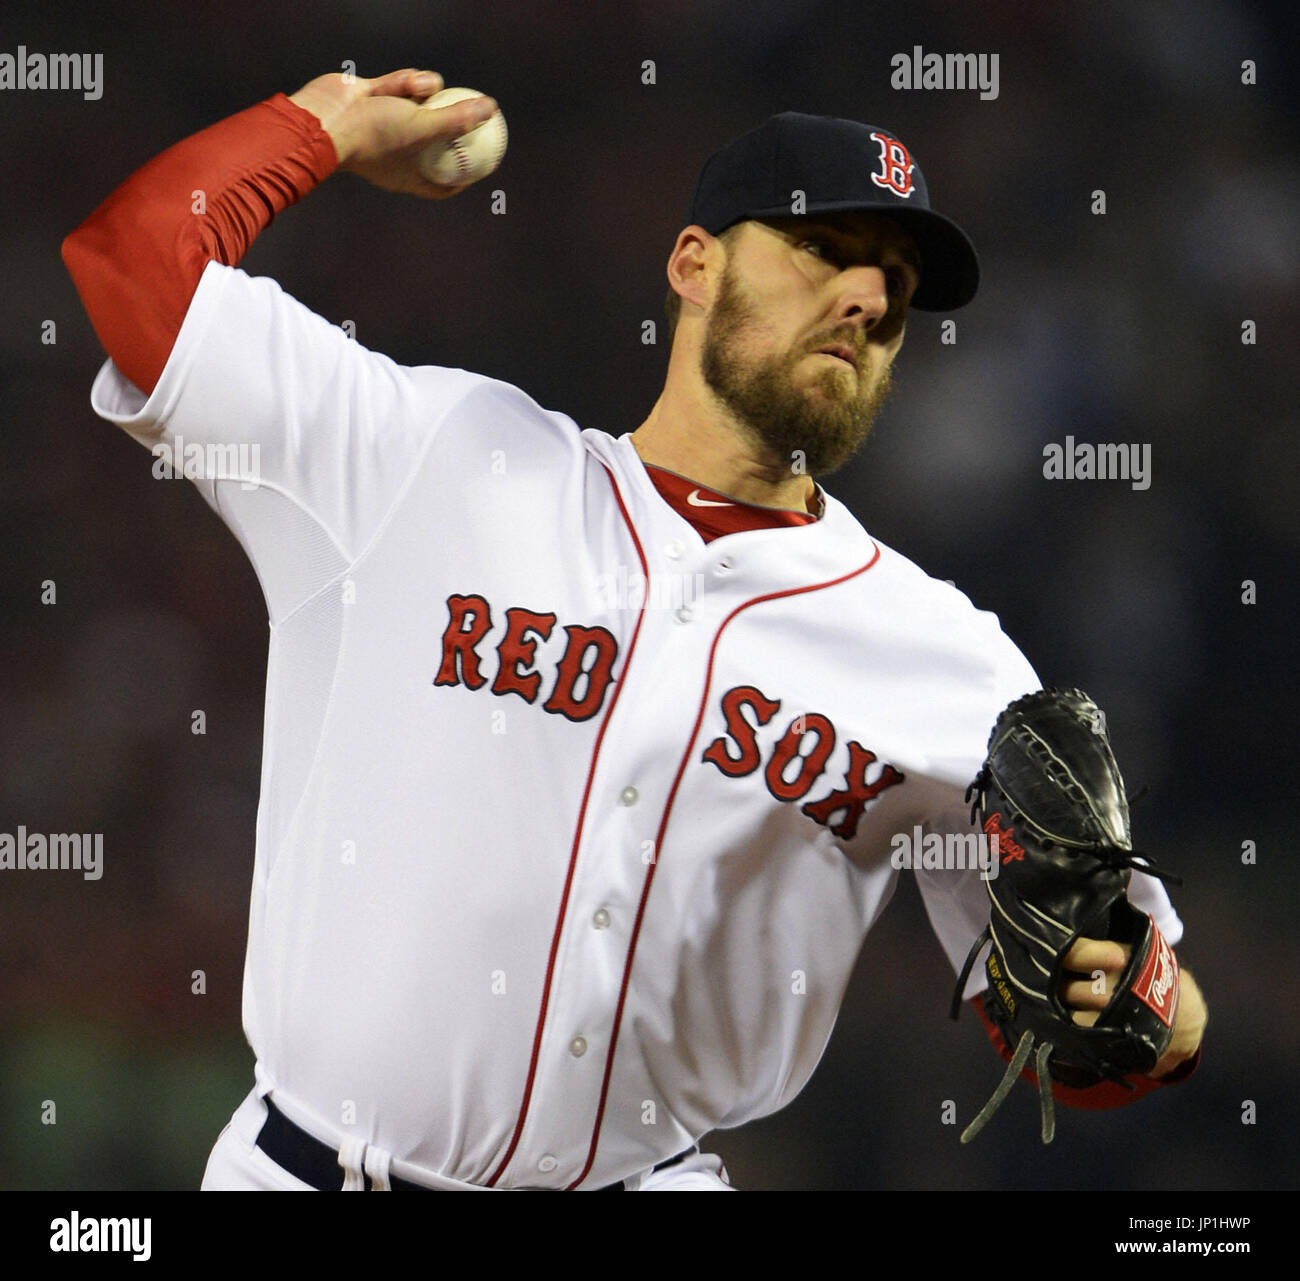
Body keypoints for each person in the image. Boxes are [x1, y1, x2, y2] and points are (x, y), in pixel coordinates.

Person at [62, 67, 1206, 1191]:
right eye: (823, 249)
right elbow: (131, 264)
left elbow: (1118, 1038)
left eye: (896, 284)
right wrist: (319, 128)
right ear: (693, 263)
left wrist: (1127, 1004)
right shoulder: (430, 455)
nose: (866, 296)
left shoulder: (946, 664)